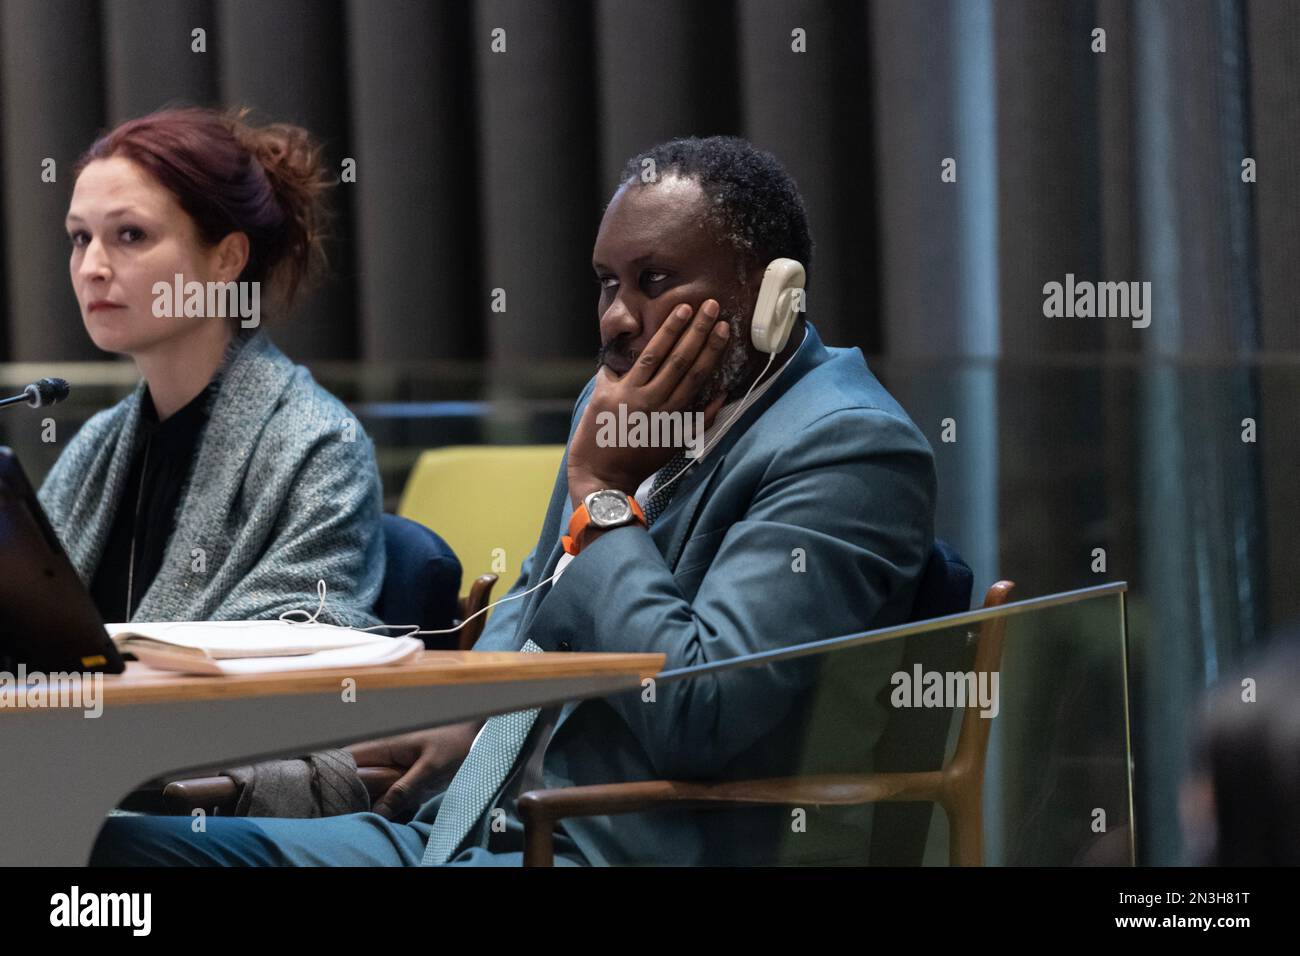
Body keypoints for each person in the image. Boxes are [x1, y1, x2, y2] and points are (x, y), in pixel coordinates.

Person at [90, 135, 936, 866]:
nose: (616, 320)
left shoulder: (848, 446)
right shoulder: (622, 408)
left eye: (656, 279)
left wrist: (602, 496)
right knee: (94, 848)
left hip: (583, 847)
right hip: (454, 832)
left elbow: (699, 710)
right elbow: (532, 613)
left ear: (773, 295)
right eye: (608, 283)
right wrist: (465, 720)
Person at [38, 106, 383, 628]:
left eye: (130, 235)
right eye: (80, 238)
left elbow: (306, 639)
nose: (92, 268)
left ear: (226, 259)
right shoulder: (94, 448)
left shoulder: (318, 445)